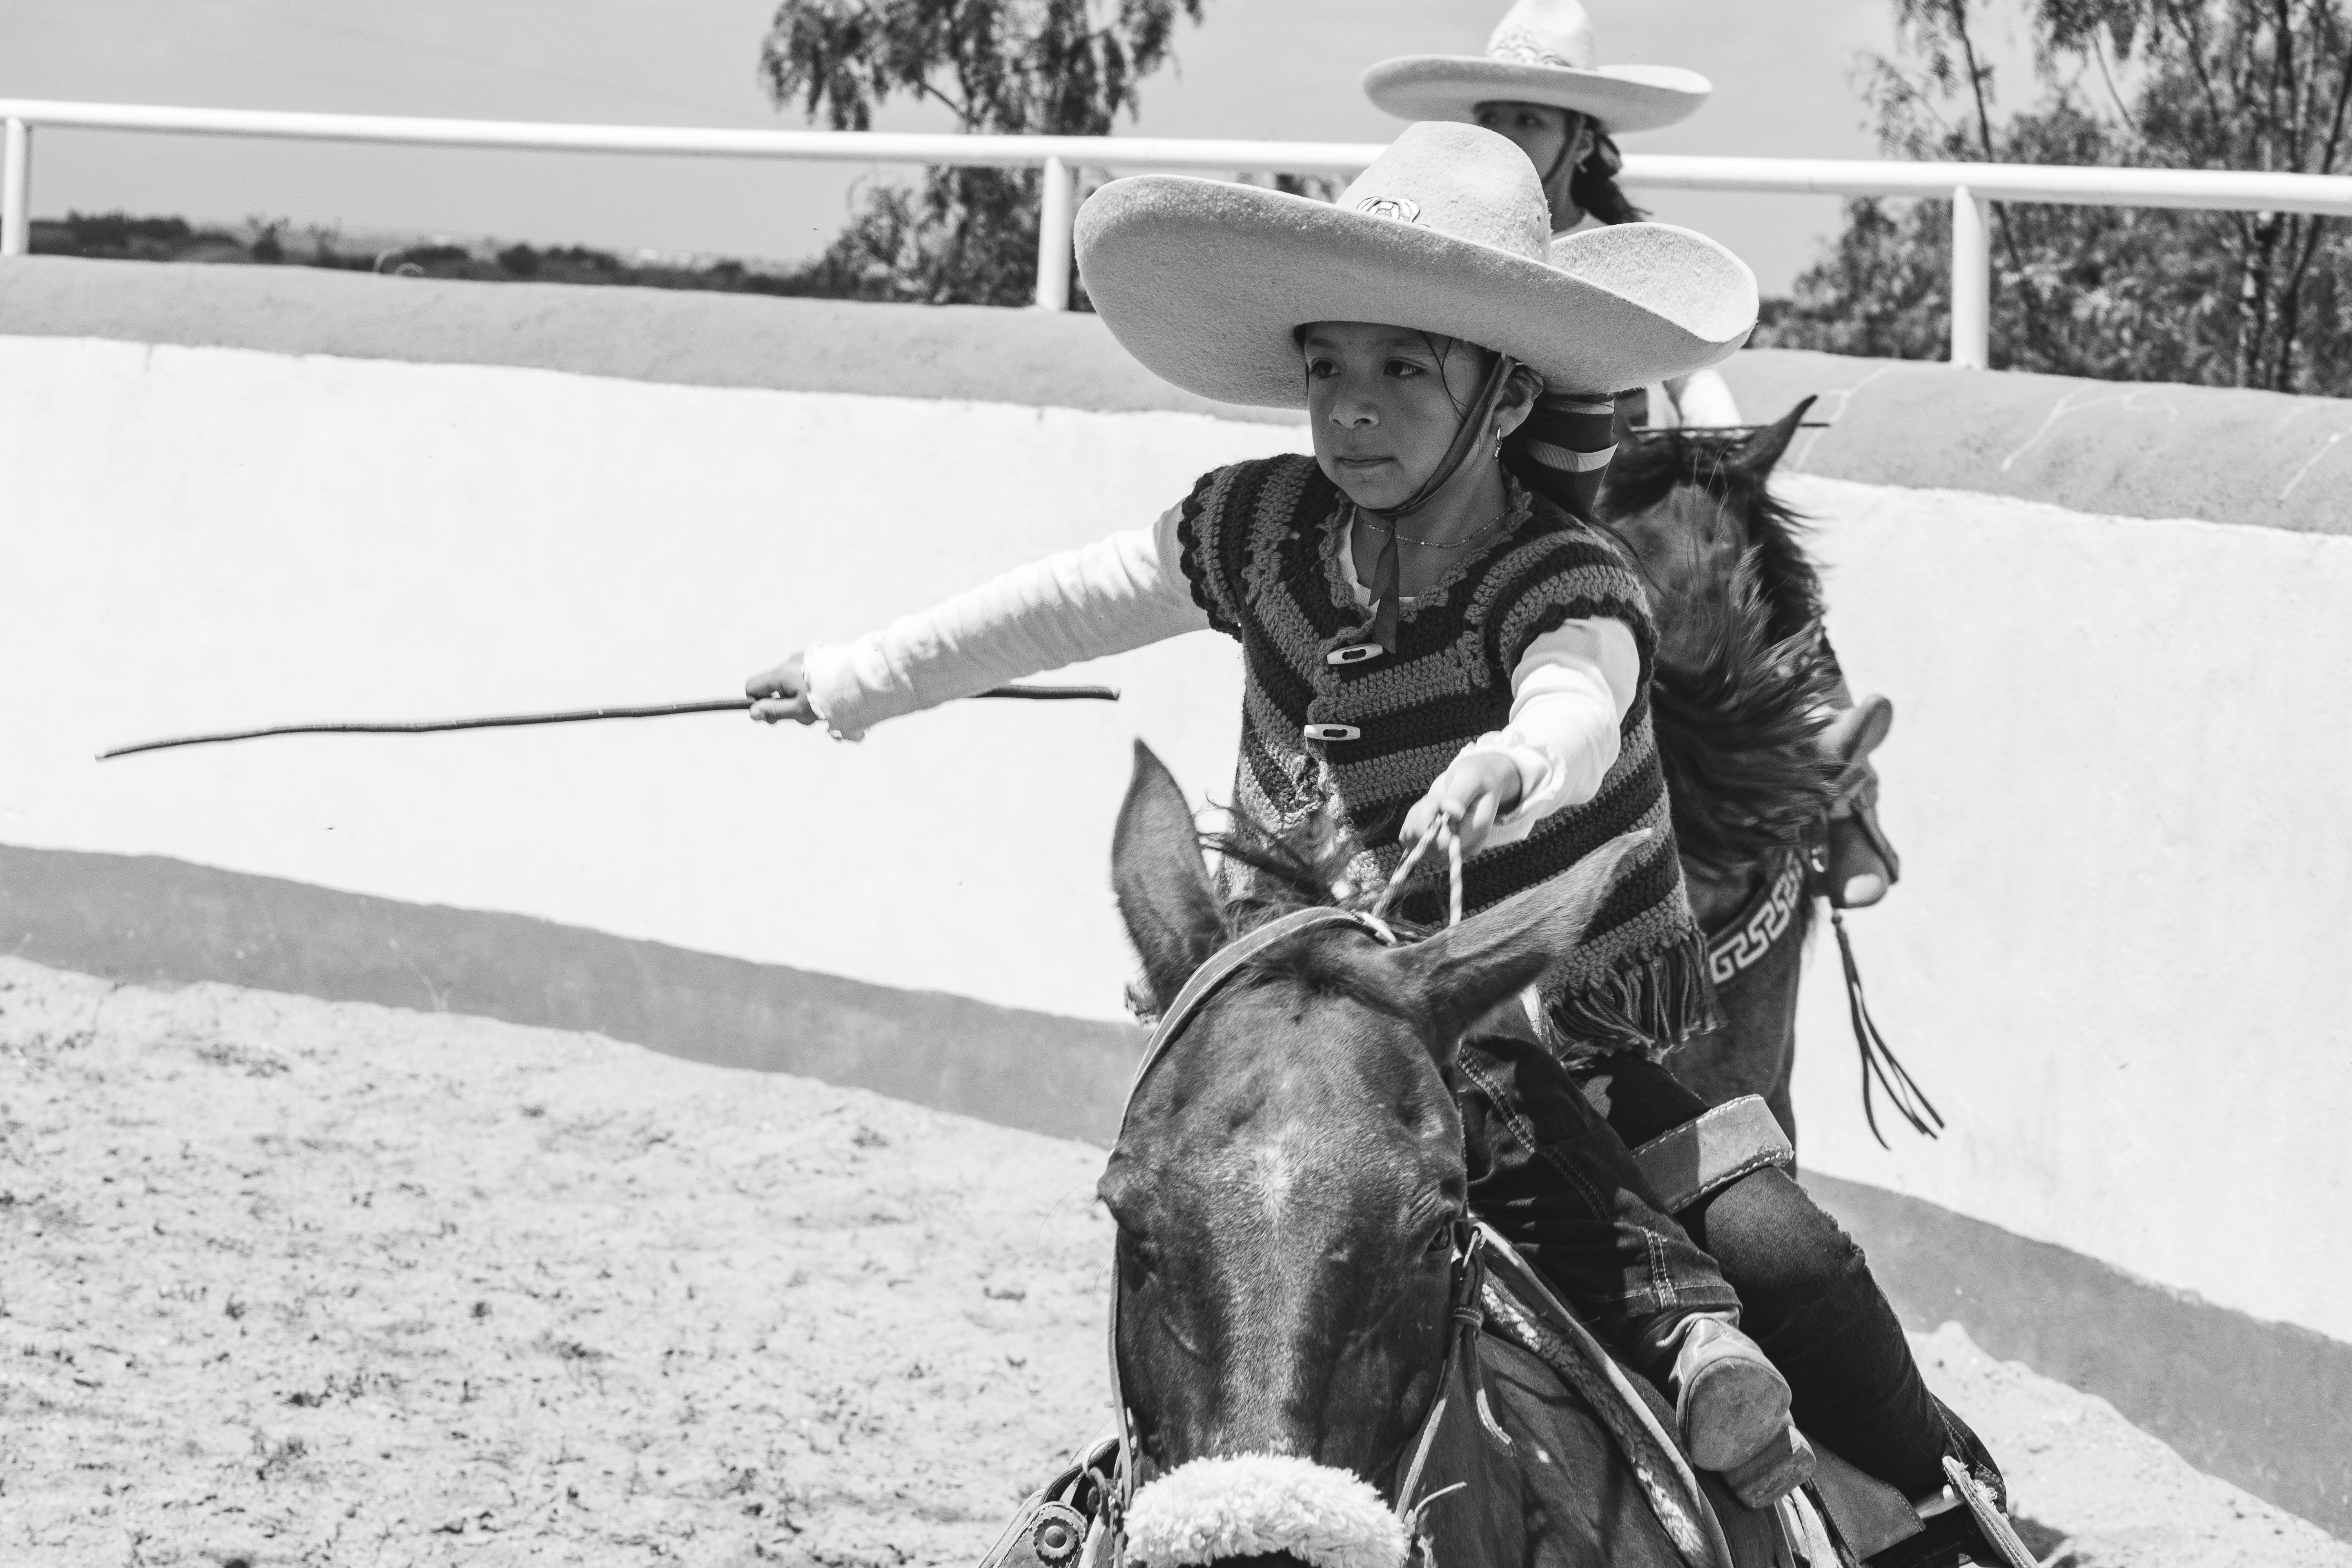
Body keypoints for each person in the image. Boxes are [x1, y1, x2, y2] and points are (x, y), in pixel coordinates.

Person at [746, 122, 2012, 1553]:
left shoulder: (1556, 571)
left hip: (1550, 1046)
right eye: (1328, 366)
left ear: (1503, 388)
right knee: (1215, 1229)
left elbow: (1581, 692)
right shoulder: (1260, 529)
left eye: (1404, 369)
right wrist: (855, 678)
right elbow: (1068, 600)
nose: (1353, 410)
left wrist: (1511, 762)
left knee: (1789, 1248)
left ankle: (1942, 1520)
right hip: (1314, 1033)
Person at [1363, 0, 1902, 911]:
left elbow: (1689, 365)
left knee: (1736, 543)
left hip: (1623, 493)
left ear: (1582, 140)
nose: (1508, 136)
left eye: (1529, 119)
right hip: (1481, 499)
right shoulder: (1444, 249)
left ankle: (1832, 786)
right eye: (1494, 120)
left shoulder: (1625, 258)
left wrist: (1723, 458)